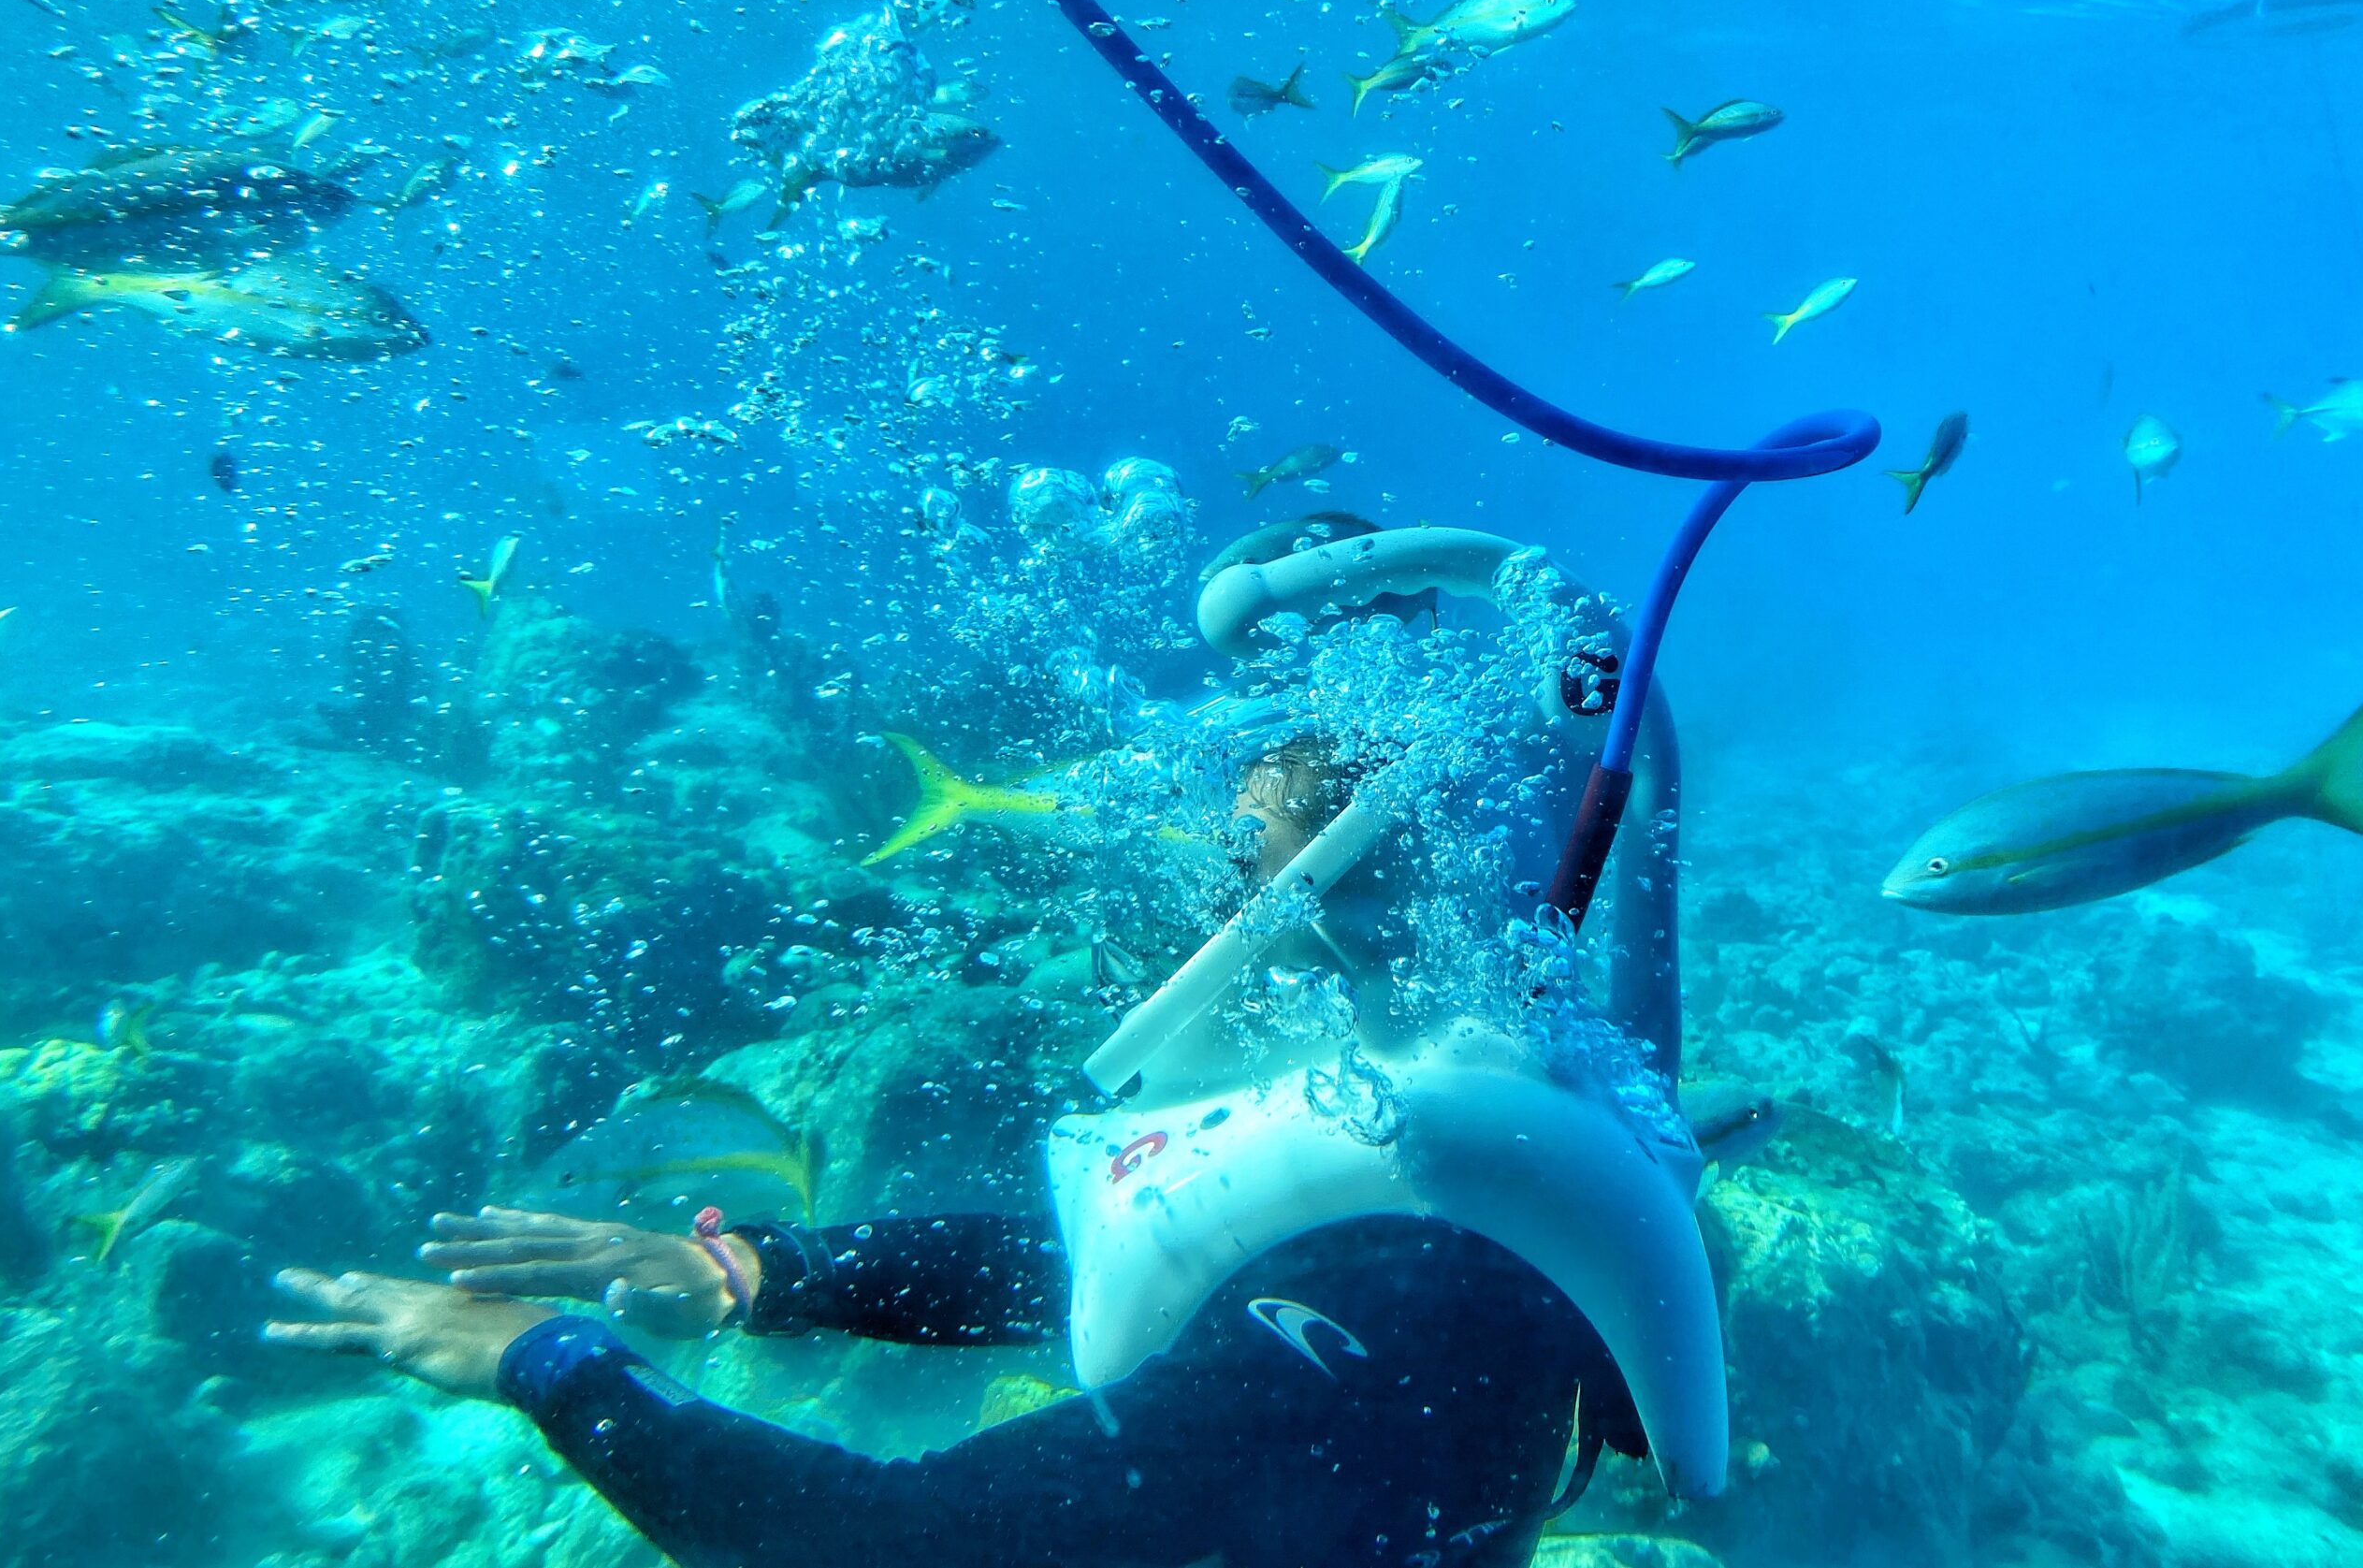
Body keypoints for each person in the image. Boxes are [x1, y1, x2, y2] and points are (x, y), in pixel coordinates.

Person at [268, 537, 1728, 1568]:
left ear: (1303, 912)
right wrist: (754, 1271)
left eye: (1249, 878)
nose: (1215, 913)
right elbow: (1126, 1255)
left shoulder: (1389, 1308)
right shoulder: (1471, 1152)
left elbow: (874, 1541)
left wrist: (540, 1356)